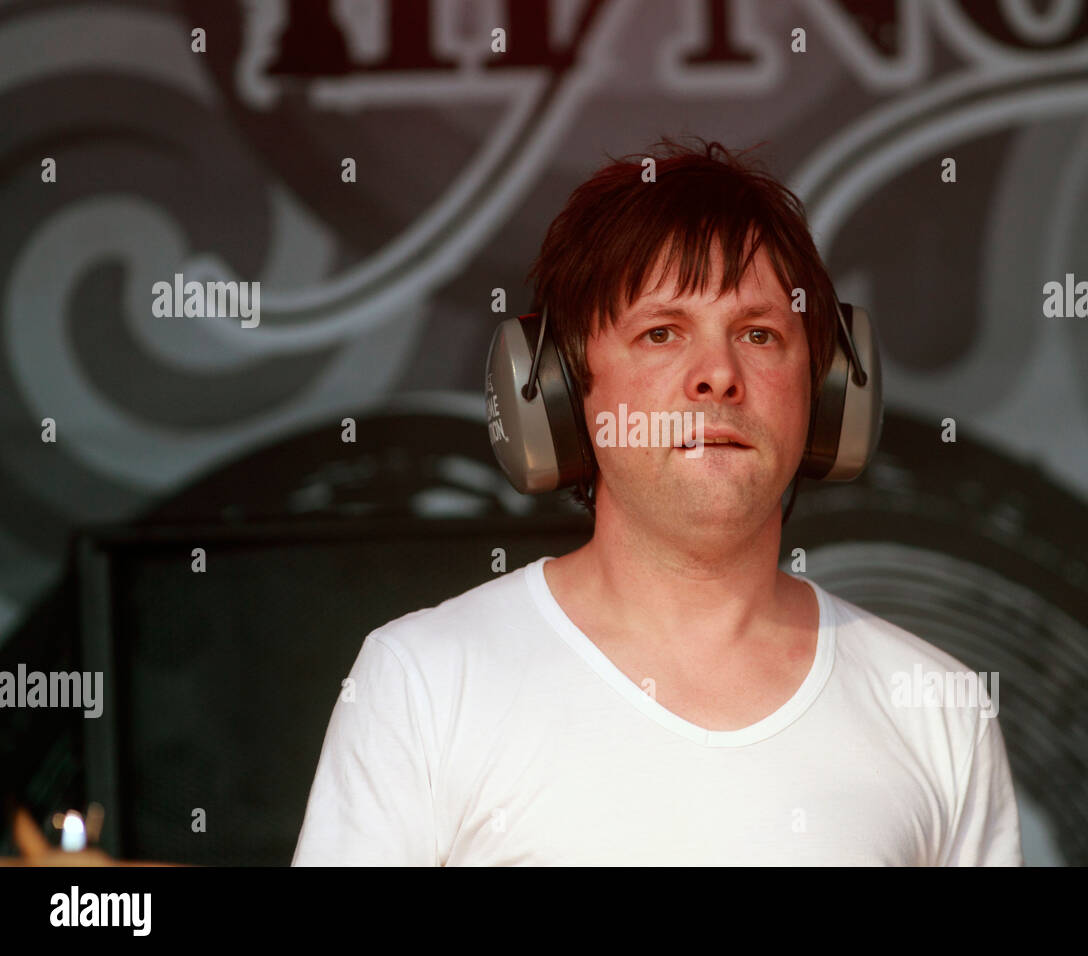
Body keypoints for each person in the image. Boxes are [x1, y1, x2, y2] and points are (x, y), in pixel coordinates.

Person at [292, 138, 1023, 866]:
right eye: (662, 332)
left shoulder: (939, 710)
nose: (717, 375)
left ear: (830, 393)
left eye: (760, 333)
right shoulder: (421, 683)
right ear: (560, 390)